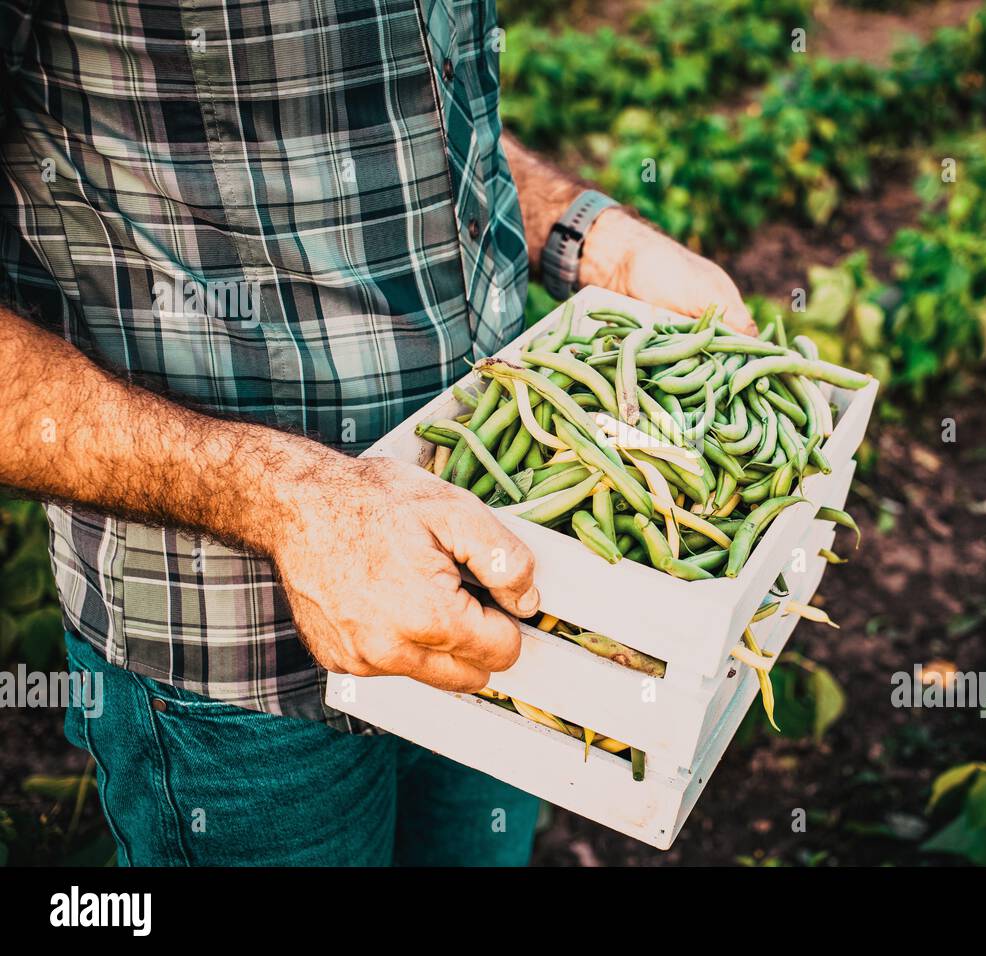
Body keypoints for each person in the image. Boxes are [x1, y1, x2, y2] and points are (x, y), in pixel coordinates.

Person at [0, 0, 754, 866]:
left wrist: (590, 237)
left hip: (503, 578)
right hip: (234, 663)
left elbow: (390, 120)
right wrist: (290, 503)